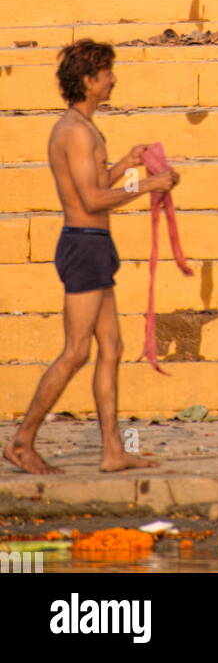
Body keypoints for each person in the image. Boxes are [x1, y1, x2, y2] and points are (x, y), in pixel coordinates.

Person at [3, 40, 179, 474]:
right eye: (107, 72)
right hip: (84, 245)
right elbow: (94, 198)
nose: (114, 78)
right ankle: (22, 442)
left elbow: (97, 180)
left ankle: (112, 452)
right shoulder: (75, 132)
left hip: (94, 246)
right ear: (88, 79)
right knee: (76, 352)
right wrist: (148, 187)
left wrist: (125, 163)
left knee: (112, 347)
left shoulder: (82, 127)